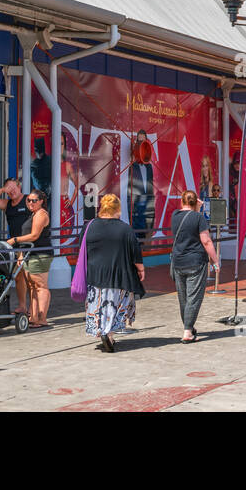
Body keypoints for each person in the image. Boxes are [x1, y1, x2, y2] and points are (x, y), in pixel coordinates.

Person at [81, 193, 145, 353]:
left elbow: (82, 249)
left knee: (97, 304)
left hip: (95, 274)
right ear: (118, 208)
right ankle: (108, 333)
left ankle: (103, 331)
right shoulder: (125, 228)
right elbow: (135, 252)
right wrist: (141, 269)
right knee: (115, 304)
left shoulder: (90, 226)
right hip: (119, 274)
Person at [168, 190, 221, 343]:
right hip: (196, 261)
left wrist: (195, 207)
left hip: (178, 261)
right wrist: (215, 260)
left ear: (181, 202)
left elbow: (187, 217)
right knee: (194, 297)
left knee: (183, 298)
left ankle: (188, 326)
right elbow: (206, 241)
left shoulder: (174, 216)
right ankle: (187, 332)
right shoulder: (199, 217)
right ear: (195, 202)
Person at [8, 188, 53, 328]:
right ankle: (34, 317)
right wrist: (21, 253)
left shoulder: (41, 214)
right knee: (32, 286)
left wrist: (15, 240)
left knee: (40, 286)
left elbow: (34, 236)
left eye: (34, 200)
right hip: (30, 254)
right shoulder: (33, 214)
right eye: (28, 200)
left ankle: (42, 318)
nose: (30, 203)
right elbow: (29, 239)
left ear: (41, 202)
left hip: (40, 255)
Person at [0, 178, 32, 316]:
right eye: (8, 190)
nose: (11, 192)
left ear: (19, 187)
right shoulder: (7, 204)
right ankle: (23, 306)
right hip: (15, 245)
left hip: (28, 244)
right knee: (18, 277)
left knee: (30, 277)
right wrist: (1, 190)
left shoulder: (28, 200)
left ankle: (33, 308)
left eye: (13, 188)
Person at [126, 129, 156, 235]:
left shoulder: (149, 167)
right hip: (136, 204)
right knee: (137, 232)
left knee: (146, 231)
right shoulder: (132, 167)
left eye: (144, 143)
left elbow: (151, 186)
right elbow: (130, 190)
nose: (142, 146)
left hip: (147, 202)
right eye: (139, 143)